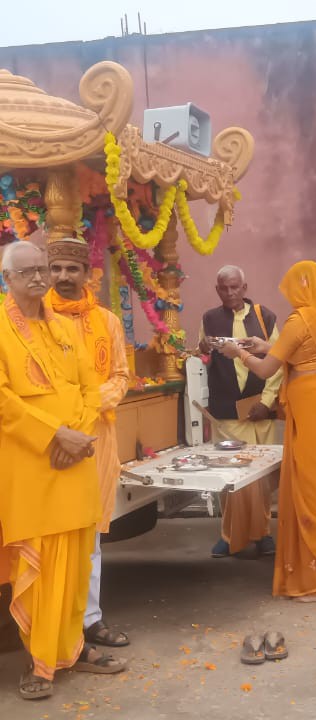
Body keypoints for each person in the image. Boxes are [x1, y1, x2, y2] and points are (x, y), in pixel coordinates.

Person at [0, 242, 124, 701]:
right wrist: (54, 435)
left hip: (75, 458)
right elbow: (3, 399)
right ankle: (40, 660)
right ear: (7, 279)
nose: (39, 278)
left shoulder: (65, 328)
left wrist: (79, 436)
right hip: (32, 461)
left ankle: (71, 648)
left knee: (76, 560)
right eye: (27, 271)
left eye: (42, 269)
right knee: (40, 562)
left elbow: (91, 387)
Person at [220, 261, 316, 601]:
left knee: (312, 488)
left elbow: (267, 371)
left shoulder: (300, 319)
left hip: (313, 408)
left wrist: (239, 353)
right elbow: (304, 352)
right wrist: (264, 345)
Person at [46, 238, 132, 653]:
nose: (63, 276)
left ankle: (89, 620)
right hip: (48, 438)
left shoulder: (107, 322)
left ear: (86, 274)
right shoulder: (34, 319)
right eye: (56, 268)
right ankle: (49, 624)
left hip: (95, 437)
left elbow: (121, 375)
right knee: (48, 534)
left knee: (90, 535)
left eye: (71, 269)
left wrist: (86, 405)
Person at [198, 266, 282, 559]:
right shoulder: (209, 319)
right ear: (217, 290)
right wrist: (202, 348)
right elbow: (202, 356)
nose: (230, 293)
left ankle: (263, 534)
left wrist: (267, 403)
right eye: (224, 288)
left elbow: (278, 361)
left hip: (259, 410)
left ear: (245, 288)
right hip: (227, 412)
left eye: (235, 287)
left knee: (260, 478)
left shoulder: (265, 317)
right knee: (230, 475)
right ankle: (229, 535)